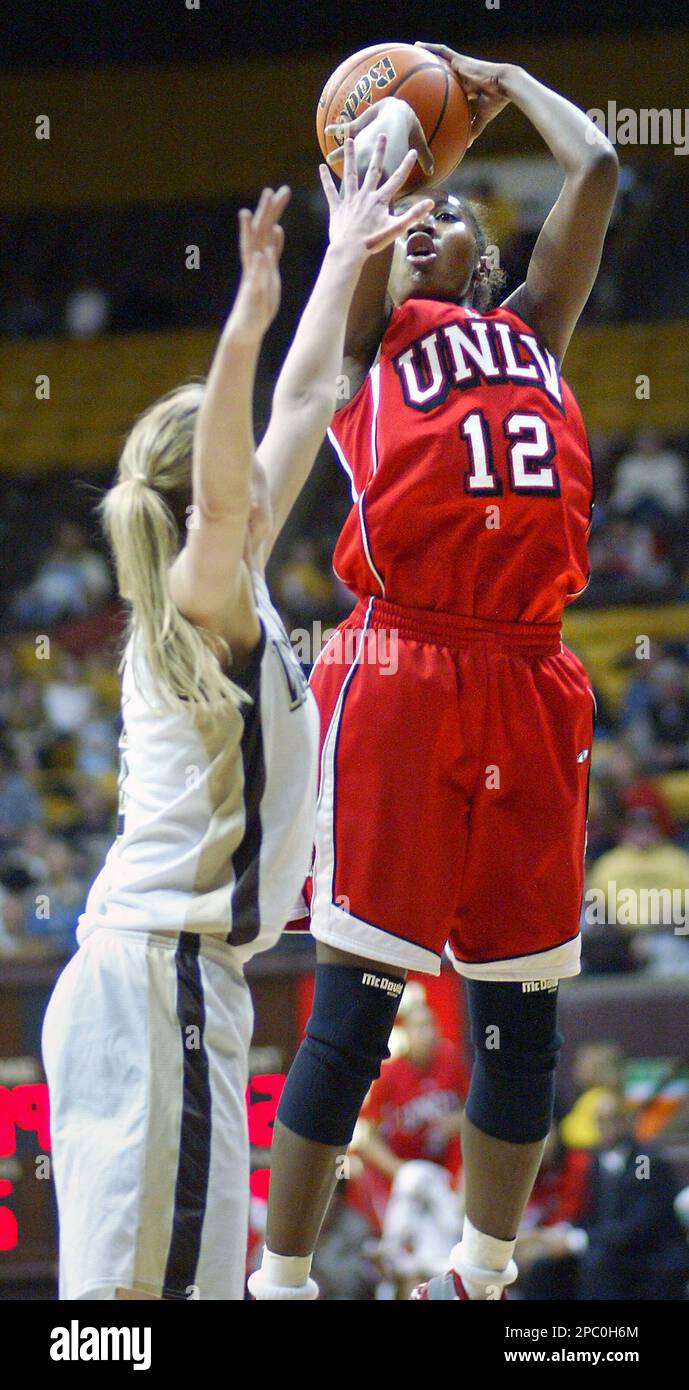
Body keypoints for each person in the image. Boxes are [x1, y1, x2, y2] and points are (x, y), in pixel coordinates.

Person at [249, 45, 619, 1302]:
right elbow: (371, 188)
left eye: (451, 213)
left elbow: (599, 164)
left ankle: (482, 1275)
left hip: (531, 667)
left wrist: (509, 79)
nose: (428, 222)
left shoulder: (531, 333)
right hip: (401, 659)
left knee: (520, 1017)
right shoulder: (364, 332)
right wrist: (392, 119)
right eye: (411, 216)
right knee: (354, 1009)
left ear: (492, 262)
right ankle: (281, 1282)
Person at [41, 151, 433, 1302]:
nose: (264, 463)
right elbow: (225, 485)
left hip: (168, 981)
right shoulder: (203, 596)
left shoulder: (227, 586)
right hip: (161, 980)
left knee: (155, 1300)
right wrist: (243, 320)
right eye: (231, 450)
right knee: (139, 1314)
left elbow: (309, 397)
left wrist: (346, 242)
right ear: (202, 489)